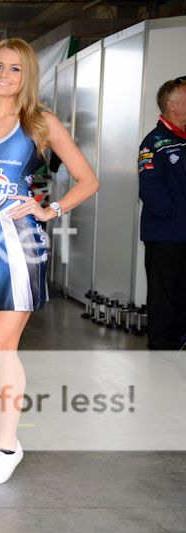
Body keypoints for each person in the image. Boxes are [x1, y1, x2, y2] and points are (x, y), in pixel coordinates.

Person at [0, 38, 99, 485]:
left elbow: (88, 180)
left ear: (26, 76)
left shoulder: (39, 123)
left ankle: (7, 447)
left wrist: (49, 210)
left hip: (20, 247)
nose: (5, 75)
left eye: (15, 69)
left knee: (3, 347)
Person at [138, 75, 186, 350]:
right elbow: (151, 190)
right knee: (164, 296)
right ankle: (160, 352)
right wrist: (175, 215)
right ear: (171, 104)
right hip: (165, 234)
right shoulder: (154, 143)